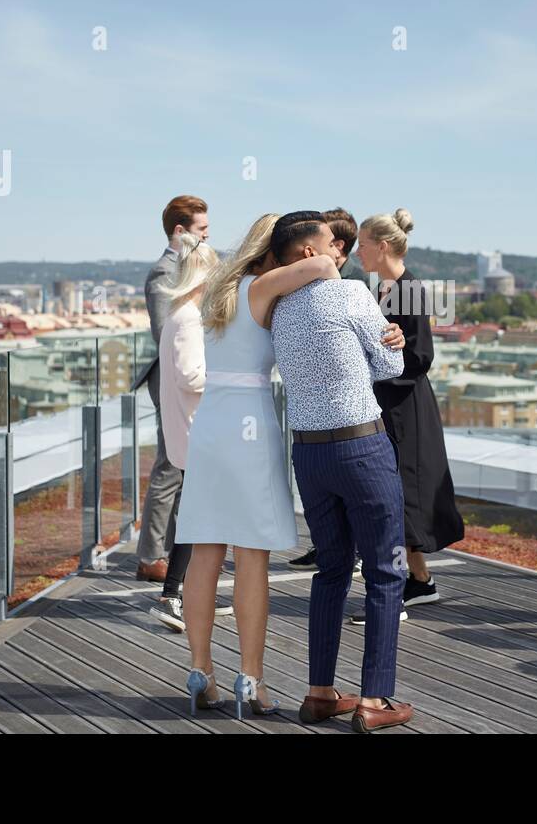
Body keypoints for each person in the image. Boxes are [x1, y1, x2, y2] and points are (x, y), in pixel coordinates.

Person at [171, 214, 406, 719]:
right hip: (248, 421)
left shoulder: (219, 288)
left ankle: (200, 670)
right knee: (251, 552)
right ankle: (250, 680)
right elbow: (322, 264)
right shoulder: (264, 286)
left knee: (204, 549)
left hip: (210, 420)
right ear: (279, 248)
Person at [269, 211, 414, 733]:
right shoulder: (352, 294)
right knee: (383, 571)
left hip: (308, 455)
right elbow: (390, 368)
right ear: (310, 253)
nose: (342, 250)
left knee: (331, 570)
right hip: (362, 448)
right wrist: (389, 339)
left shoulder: (279, 310)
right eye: (334, 242)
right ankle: (376, 699)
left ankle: (319, 693)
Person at [352, 208, 463, 619]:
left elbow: (420, 355)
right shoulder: (385, 287)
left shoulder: (405, 289)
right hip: (393, 404)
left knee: (399, 500)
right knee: (398, 498)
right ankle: (419, 582)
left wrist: (372, 377)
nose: (356, 252)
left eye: (362, 245)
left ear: (382, 246)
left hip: (405, 408)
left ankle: (395, 591)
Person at [287, 206, 369, 571]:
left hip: (349, 417)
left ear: (338, 245)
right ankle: (331, 549)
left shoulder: (352, 284)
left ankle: (344, 552)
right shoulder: (317, 280)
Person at [134, 195, 209, 584]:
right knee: (170, 466)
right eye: (202, 231)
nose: (207, 238)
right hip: (174, 382)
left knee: (183, 467)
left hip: (184, 378)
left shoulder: (188, 268)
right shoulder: (165, 272)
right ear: (180, 232)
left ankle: (180, 550)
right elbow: (169, 335)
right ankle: (150, 557)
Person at [149, 234, 219, 632]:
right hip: (196, 429)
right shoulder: (189, 318)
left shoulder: (179, 314)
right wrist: (226, 380)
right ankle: (173, 594)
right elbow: (193, 376)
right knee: (197, 516)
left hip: (185, 428)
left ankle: (185, 592)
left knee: (198, 513)